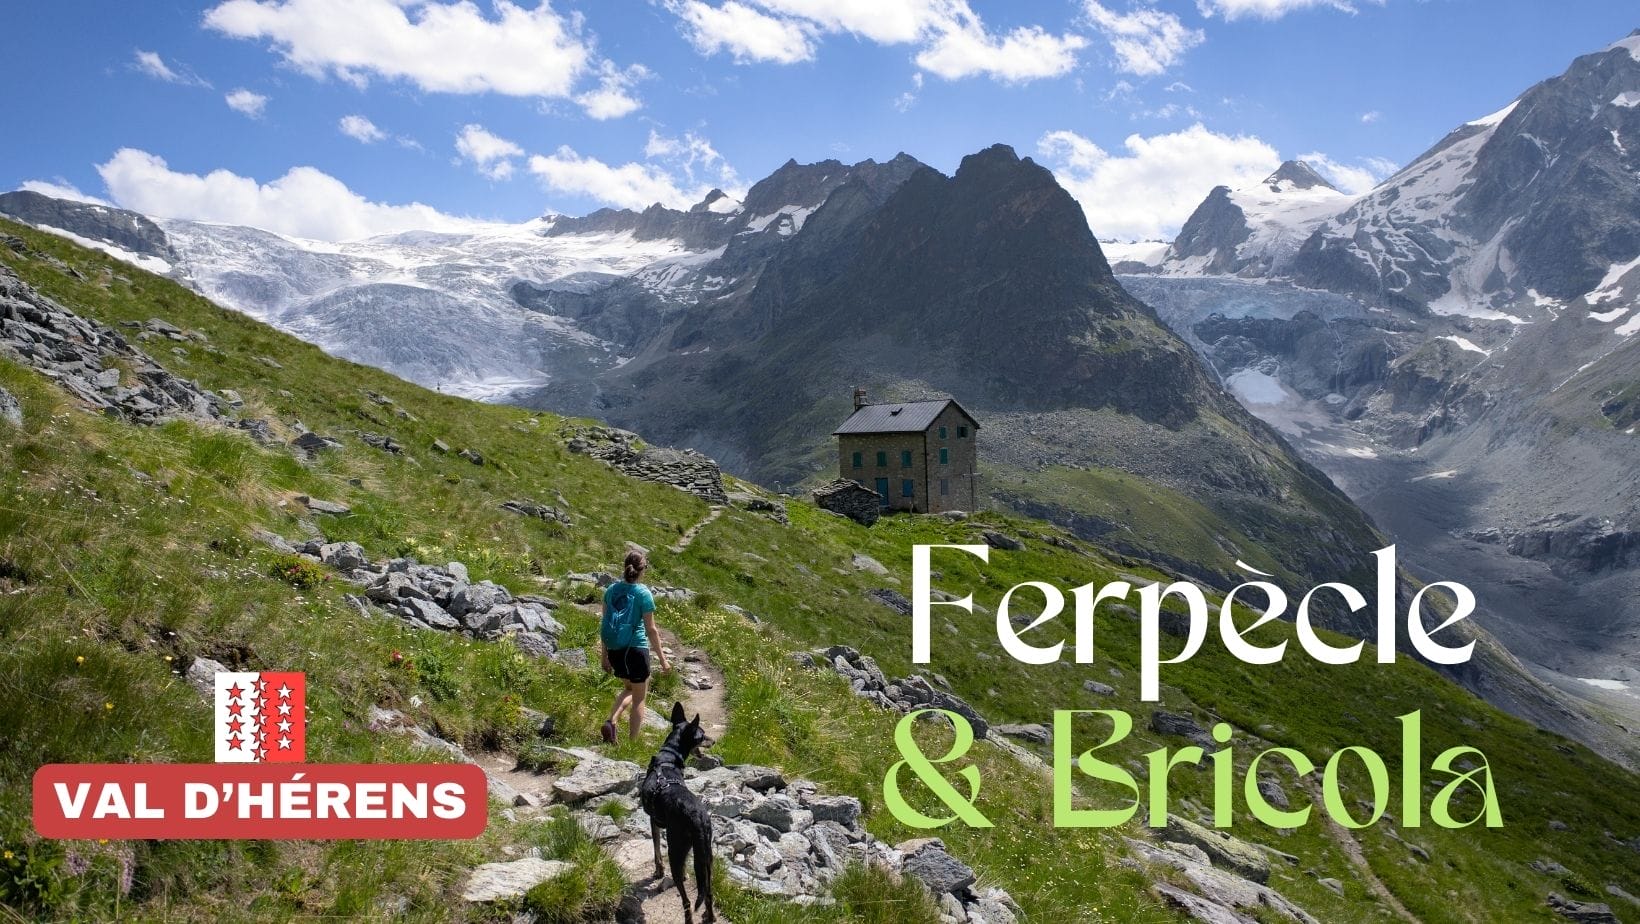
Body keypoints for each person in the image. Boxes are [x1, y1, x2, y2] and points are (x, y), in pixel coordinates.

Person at [600, 550, 670, 743]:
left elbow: (605, 623)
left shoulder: (611, 591)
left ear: (625, 568)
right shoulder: (643, 593)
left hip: (615, 650)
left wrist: (604, 656)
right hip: (636, 650)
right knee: (639, 697)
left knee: (630, 688)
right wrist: (663, 660)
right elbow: (652, 630)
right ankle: (632, 743)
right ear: (641, 570)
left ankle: (611, 721)